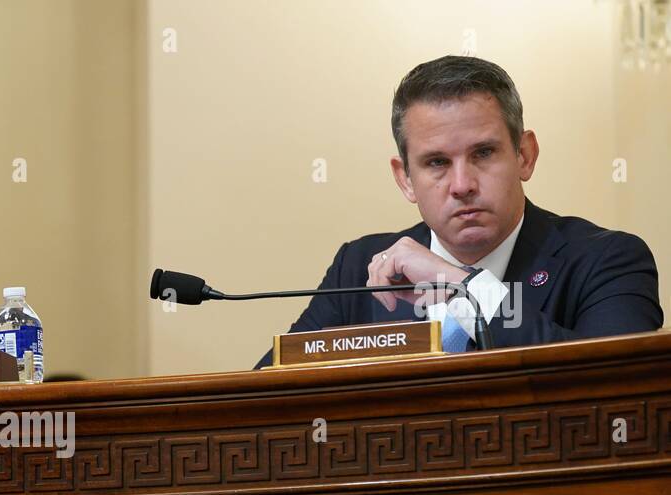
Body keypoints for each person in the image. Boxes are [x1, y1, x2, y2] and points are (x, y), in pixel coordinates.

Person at [255, 55, 663, 368]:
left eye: (483, 153)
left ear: (524, 155)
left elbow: (611, 390)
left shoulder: (606, 260)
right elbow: (267, 400)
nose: (463, 184)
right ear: (405, 179)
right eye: (436, 163)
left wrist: (458, 285)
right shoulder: (358, 267)